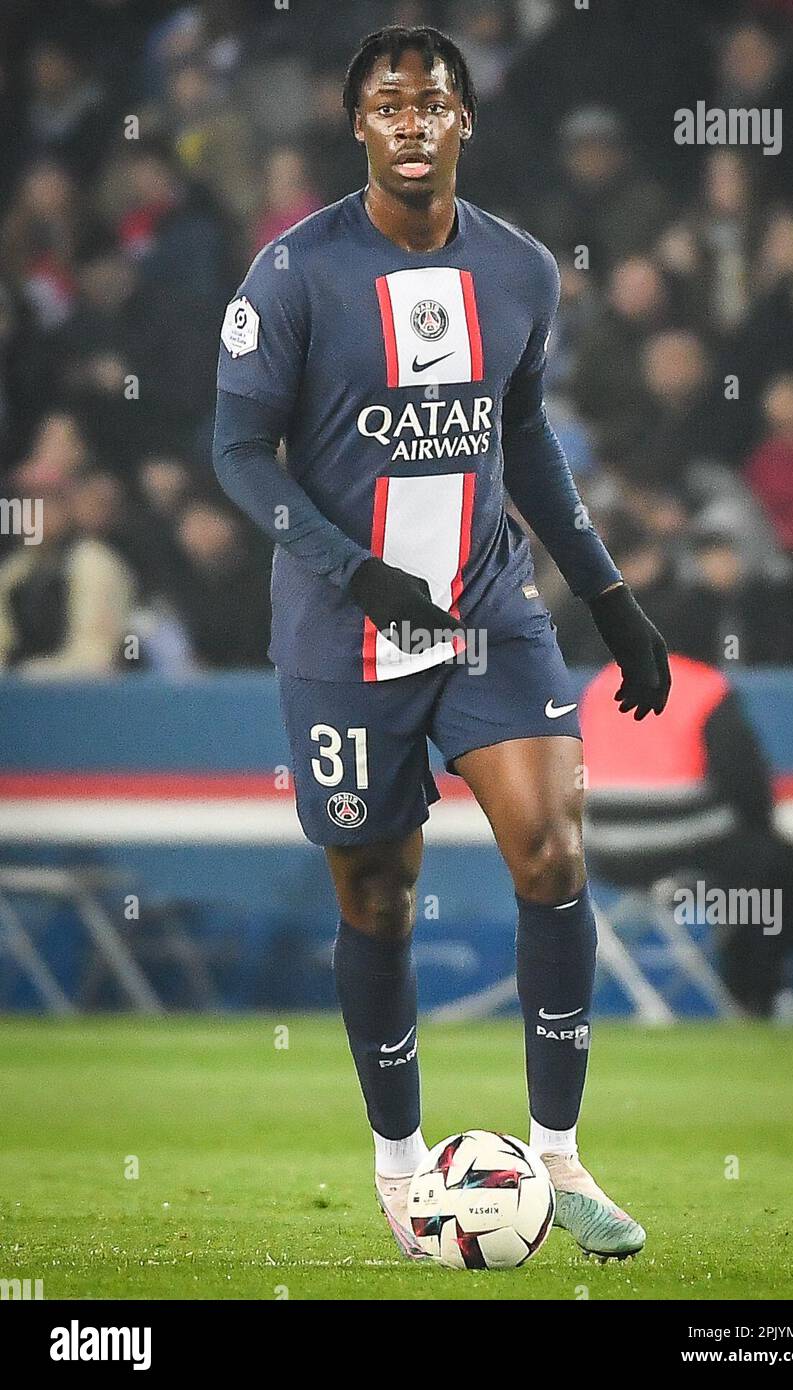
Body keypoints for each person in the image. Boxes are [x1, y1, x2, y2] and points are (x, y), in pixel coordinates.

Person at [213, 25, 670, 1262]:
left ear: (463, 120)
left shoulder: (521, 270)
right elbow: (236, 454)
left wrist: (609, 594)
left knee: (552, 849)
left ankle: (561, 1159)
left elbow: (522, 440)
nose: (412, 121)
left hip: (486, 612)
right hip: (340, 632)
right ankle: (401, 1166)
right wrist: (352, 569)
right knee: (378, 897)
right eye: (388, 104)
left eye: (433, 103)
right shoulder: (294, 273)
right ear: (355, 125)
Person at [580, 653, 793, 1018]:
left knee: (743, 873)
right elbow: (746, 782)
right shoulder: (704, 686)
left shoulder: (601, 683)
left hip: (606, 853)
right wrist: (761, 829)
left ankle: (749, 988)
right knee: (780, 865)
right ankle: (758, 994)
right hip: (686, 845)